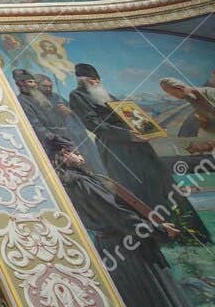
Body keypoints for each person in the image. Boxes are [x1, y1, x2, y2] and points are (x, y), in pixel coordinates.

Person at [48, 137, 215, 307]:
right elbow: (118, 215)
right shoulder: (80, 182)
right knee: (160, 306)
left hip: (119, 246)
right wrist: (160, 229)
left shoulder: (77, 181)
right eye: (74, 152)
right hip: (128, 249)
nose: (80, 155)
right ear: (64, 155)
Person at [69, 64, 207, 240]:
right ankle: (157, 233)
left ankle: (184, 228)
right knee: (134, 187)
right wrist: (128, 134)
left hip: (139, 145)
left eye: (97, 79)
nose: (95, 82)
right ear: (81, 81)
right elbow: (93, 124)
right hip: (115, 148)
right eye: (91, 79)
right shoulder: (77, 96)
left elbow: (129, 114)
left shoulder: (106, 95)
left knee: (159, 182)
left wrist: (147, 128)